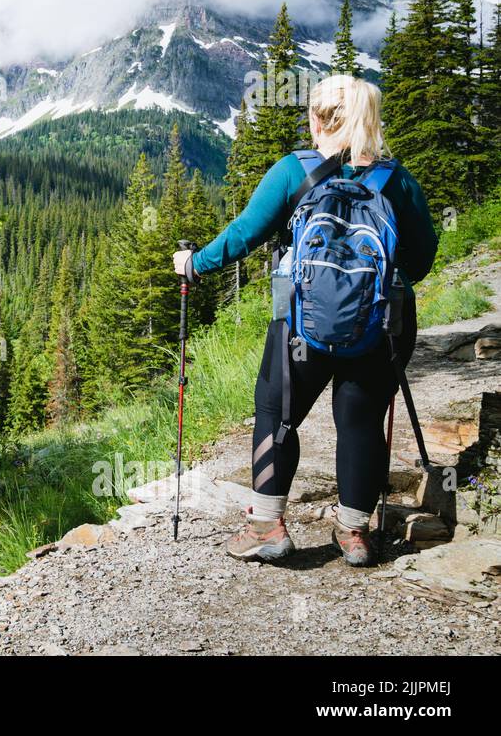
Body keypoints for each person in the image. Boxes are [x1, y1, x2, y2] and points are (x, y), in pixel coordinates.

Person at [172, 75, 437, 566]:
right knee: (360, 422)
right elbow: (421, 259)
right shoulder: (394, 179)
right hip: (377, 329)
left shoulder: (296, 170)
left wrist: (194, 264)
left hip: (300, 326)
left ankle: (267, 527)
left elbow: (244, 235)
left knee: (277, 416)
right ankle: (354, 534)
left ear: (318, 118)